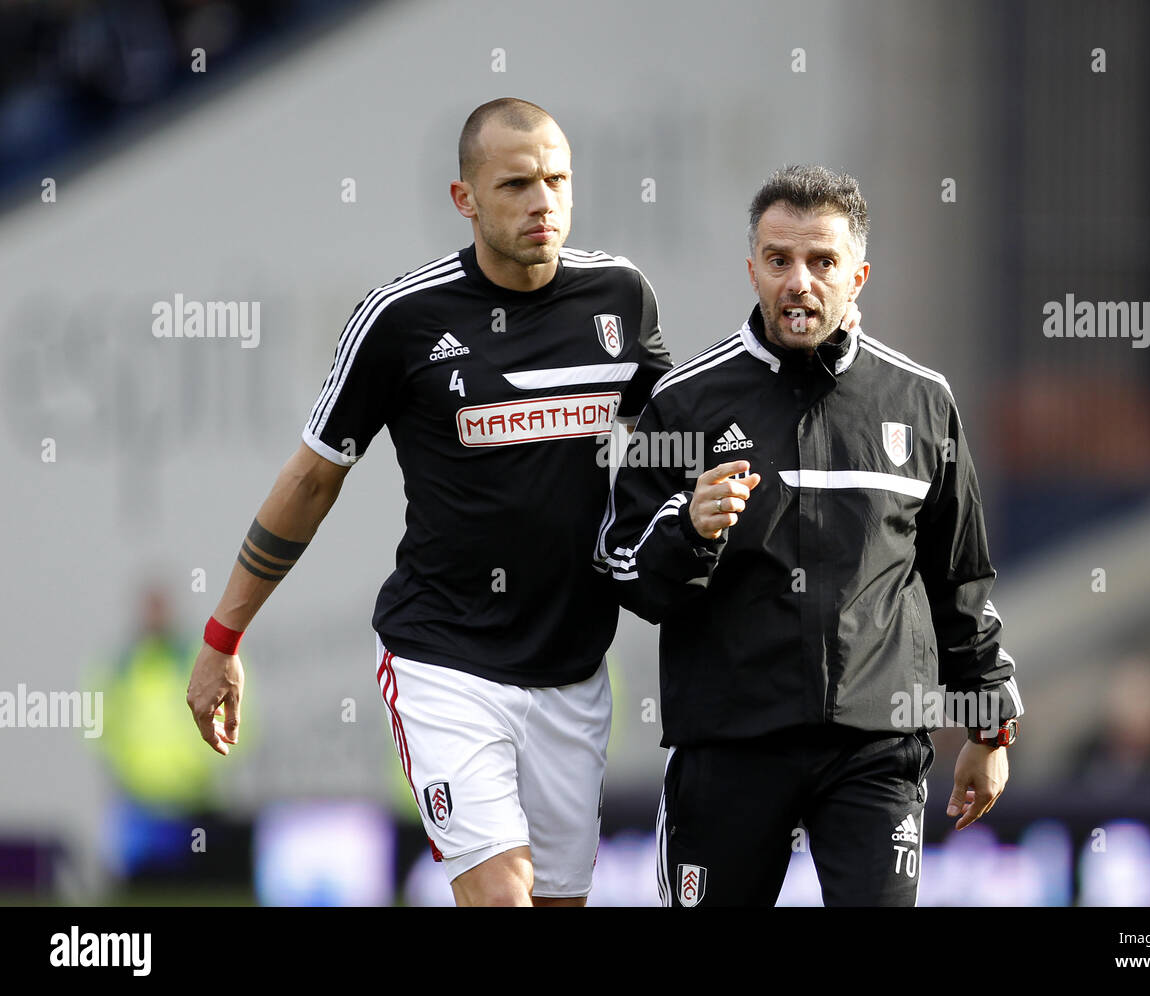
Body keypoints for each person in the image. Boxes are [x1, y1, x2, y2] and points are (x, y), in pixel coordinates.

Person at [186, 97, 675, 907]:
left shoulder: (619, 298)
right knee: (499, 897)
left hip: (574, 668)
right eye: (516, 184)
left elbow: (678, 441)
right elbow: (312, 479)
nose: (542, 201)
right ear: (466, 199)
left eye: (557, 179)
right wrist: (222, 635)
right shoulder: (401, 319)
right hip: (445, 660)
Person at [594, 164, 1024, 906]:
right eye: (780, 260)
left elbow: (961, 580)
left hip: (876, 748)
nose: (800, 281)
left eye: (822, 261)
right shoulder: (686, 401)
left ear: (857, 274)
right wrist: (689, 532)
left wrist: (988, 727)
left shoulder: (922, 403)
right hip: (730, 744)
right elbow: (621, 563)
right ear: (752, 269)